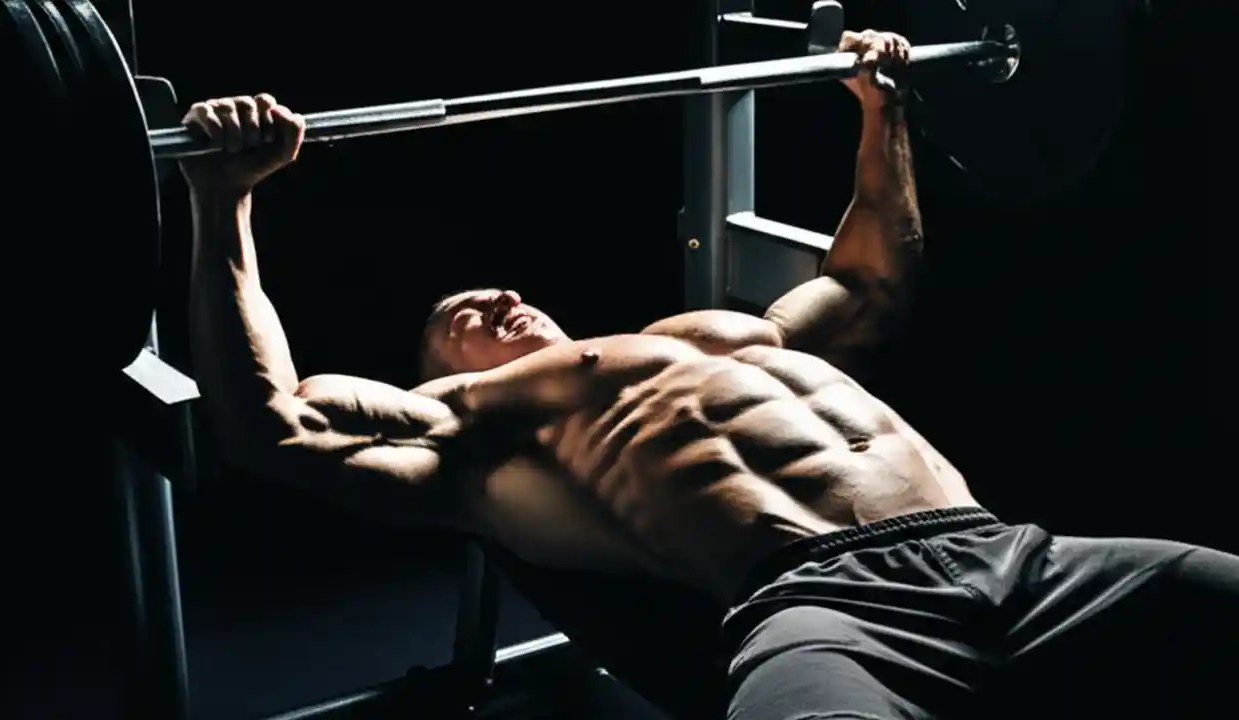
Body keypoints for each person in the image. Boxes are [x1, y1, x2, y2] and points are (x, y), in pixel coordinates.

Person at [183, 29, 1238, 720]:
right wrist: (225, 200)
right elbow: (270, 425)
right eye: (457, 316)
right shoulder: (466, 434)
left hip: (1012, 556)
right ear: (427, 373)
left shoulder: (712, 334)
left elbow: (870, 284)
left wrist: (881, 111)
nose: (494, 298)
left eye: (498, 291)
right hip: (822, 614)